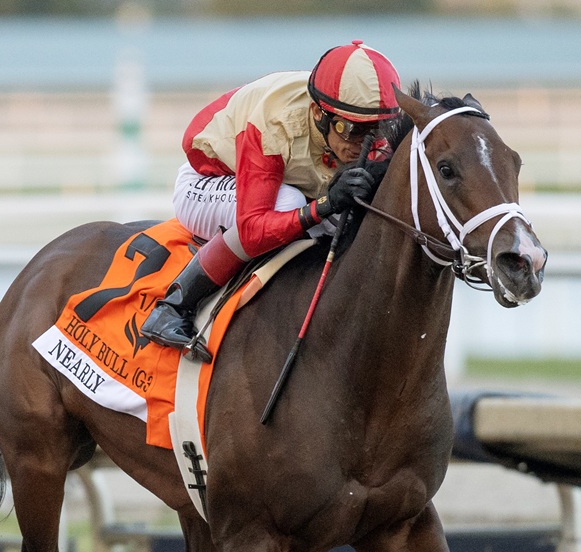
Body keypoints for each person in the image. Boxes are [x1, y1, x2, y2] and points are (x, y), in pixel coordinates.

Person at [140, 40, 402, 357]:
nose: (365, 144)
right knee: (290, 202)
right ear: (319, 114)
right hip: (207, 183)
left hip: (280, 182)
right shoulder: (275, 121)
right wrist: (325, 204)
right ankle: (174, 306)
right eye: (351, 130)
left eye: (377, 129)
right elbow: (253, 229)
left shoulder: (357, 123)